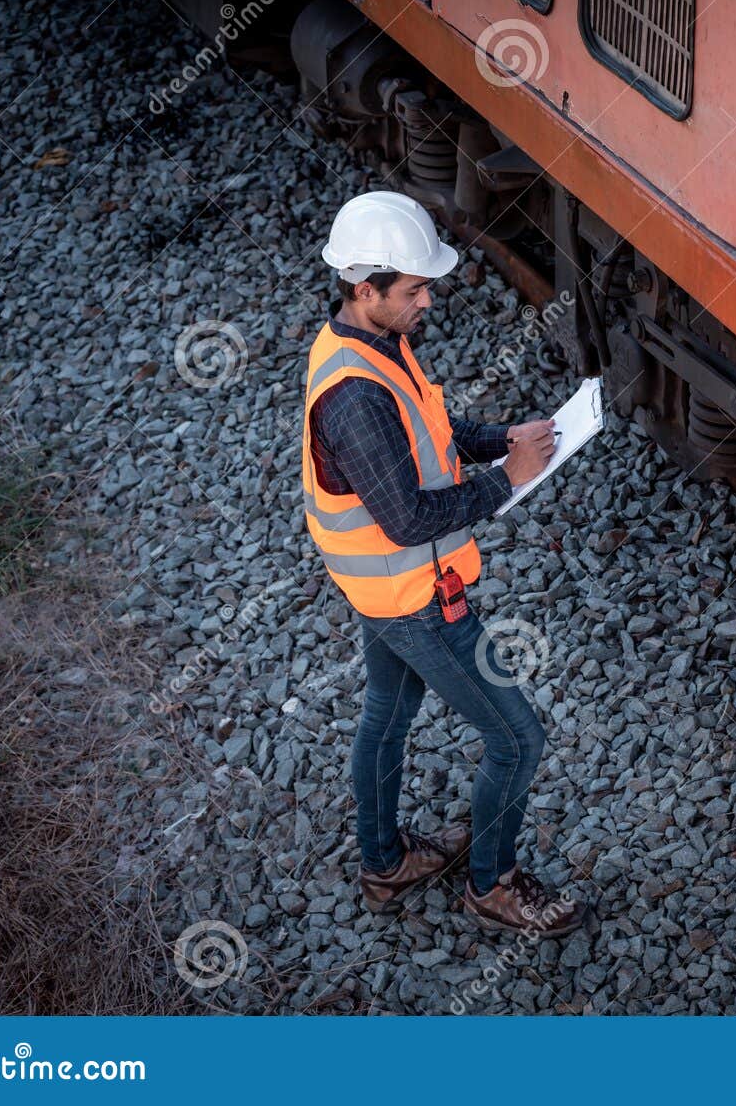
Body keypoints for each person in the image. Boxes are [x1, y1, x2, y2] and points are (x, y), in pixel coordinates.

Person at [301, 191, 582, 938]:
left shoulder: (368, 343)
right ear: (367, 288)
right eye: (415, 288)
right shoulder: (354, 396)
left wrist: (498, 439)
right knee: (518, 739)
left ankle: (386, 863)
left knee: (387, 717)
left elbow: (430, 430)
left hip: (384, 587)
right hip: (411, 594)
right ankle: (493, 885)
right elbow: (408, 516)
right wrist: (511, 478)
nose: (430, 299)